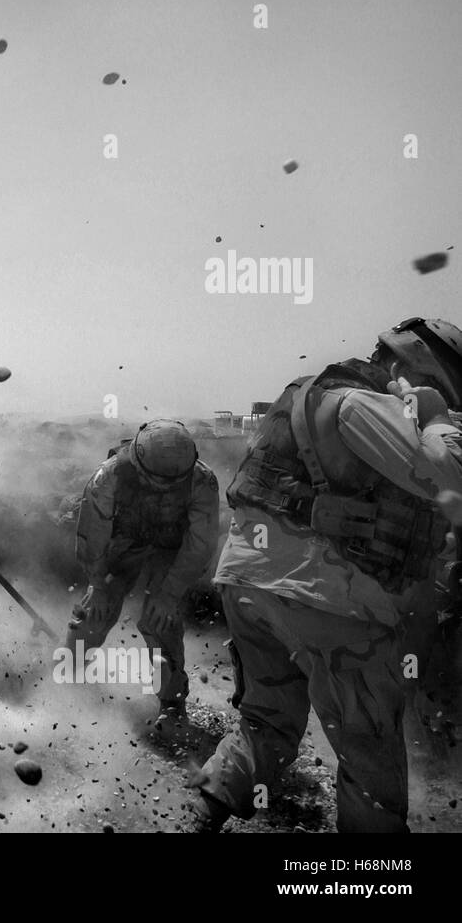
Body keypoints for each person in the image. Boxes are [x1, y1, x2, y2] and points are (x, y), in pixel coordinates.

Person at [188, 317, 462, 832]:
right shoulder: (367, 405)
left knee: (265, 723)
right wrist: (436, 413)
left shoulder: (309, 395)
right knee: (368, 753)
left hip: (251, 585)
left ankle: (204, 812)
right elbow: (453, 480)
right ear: (411, 369)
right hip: (328, 598)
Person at [70, 419, 221, 729]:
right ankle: (68, 678)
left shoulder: (202, 482)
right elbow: (91, 536)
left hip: (170, 550)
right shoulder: (109, 475)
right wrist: (97, 585)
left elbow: (200, 545)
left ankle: (171, 704)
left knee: (161, 620)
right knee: (95, 613)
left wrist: (168, 594)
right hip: (124, 543)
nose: (162, 489)